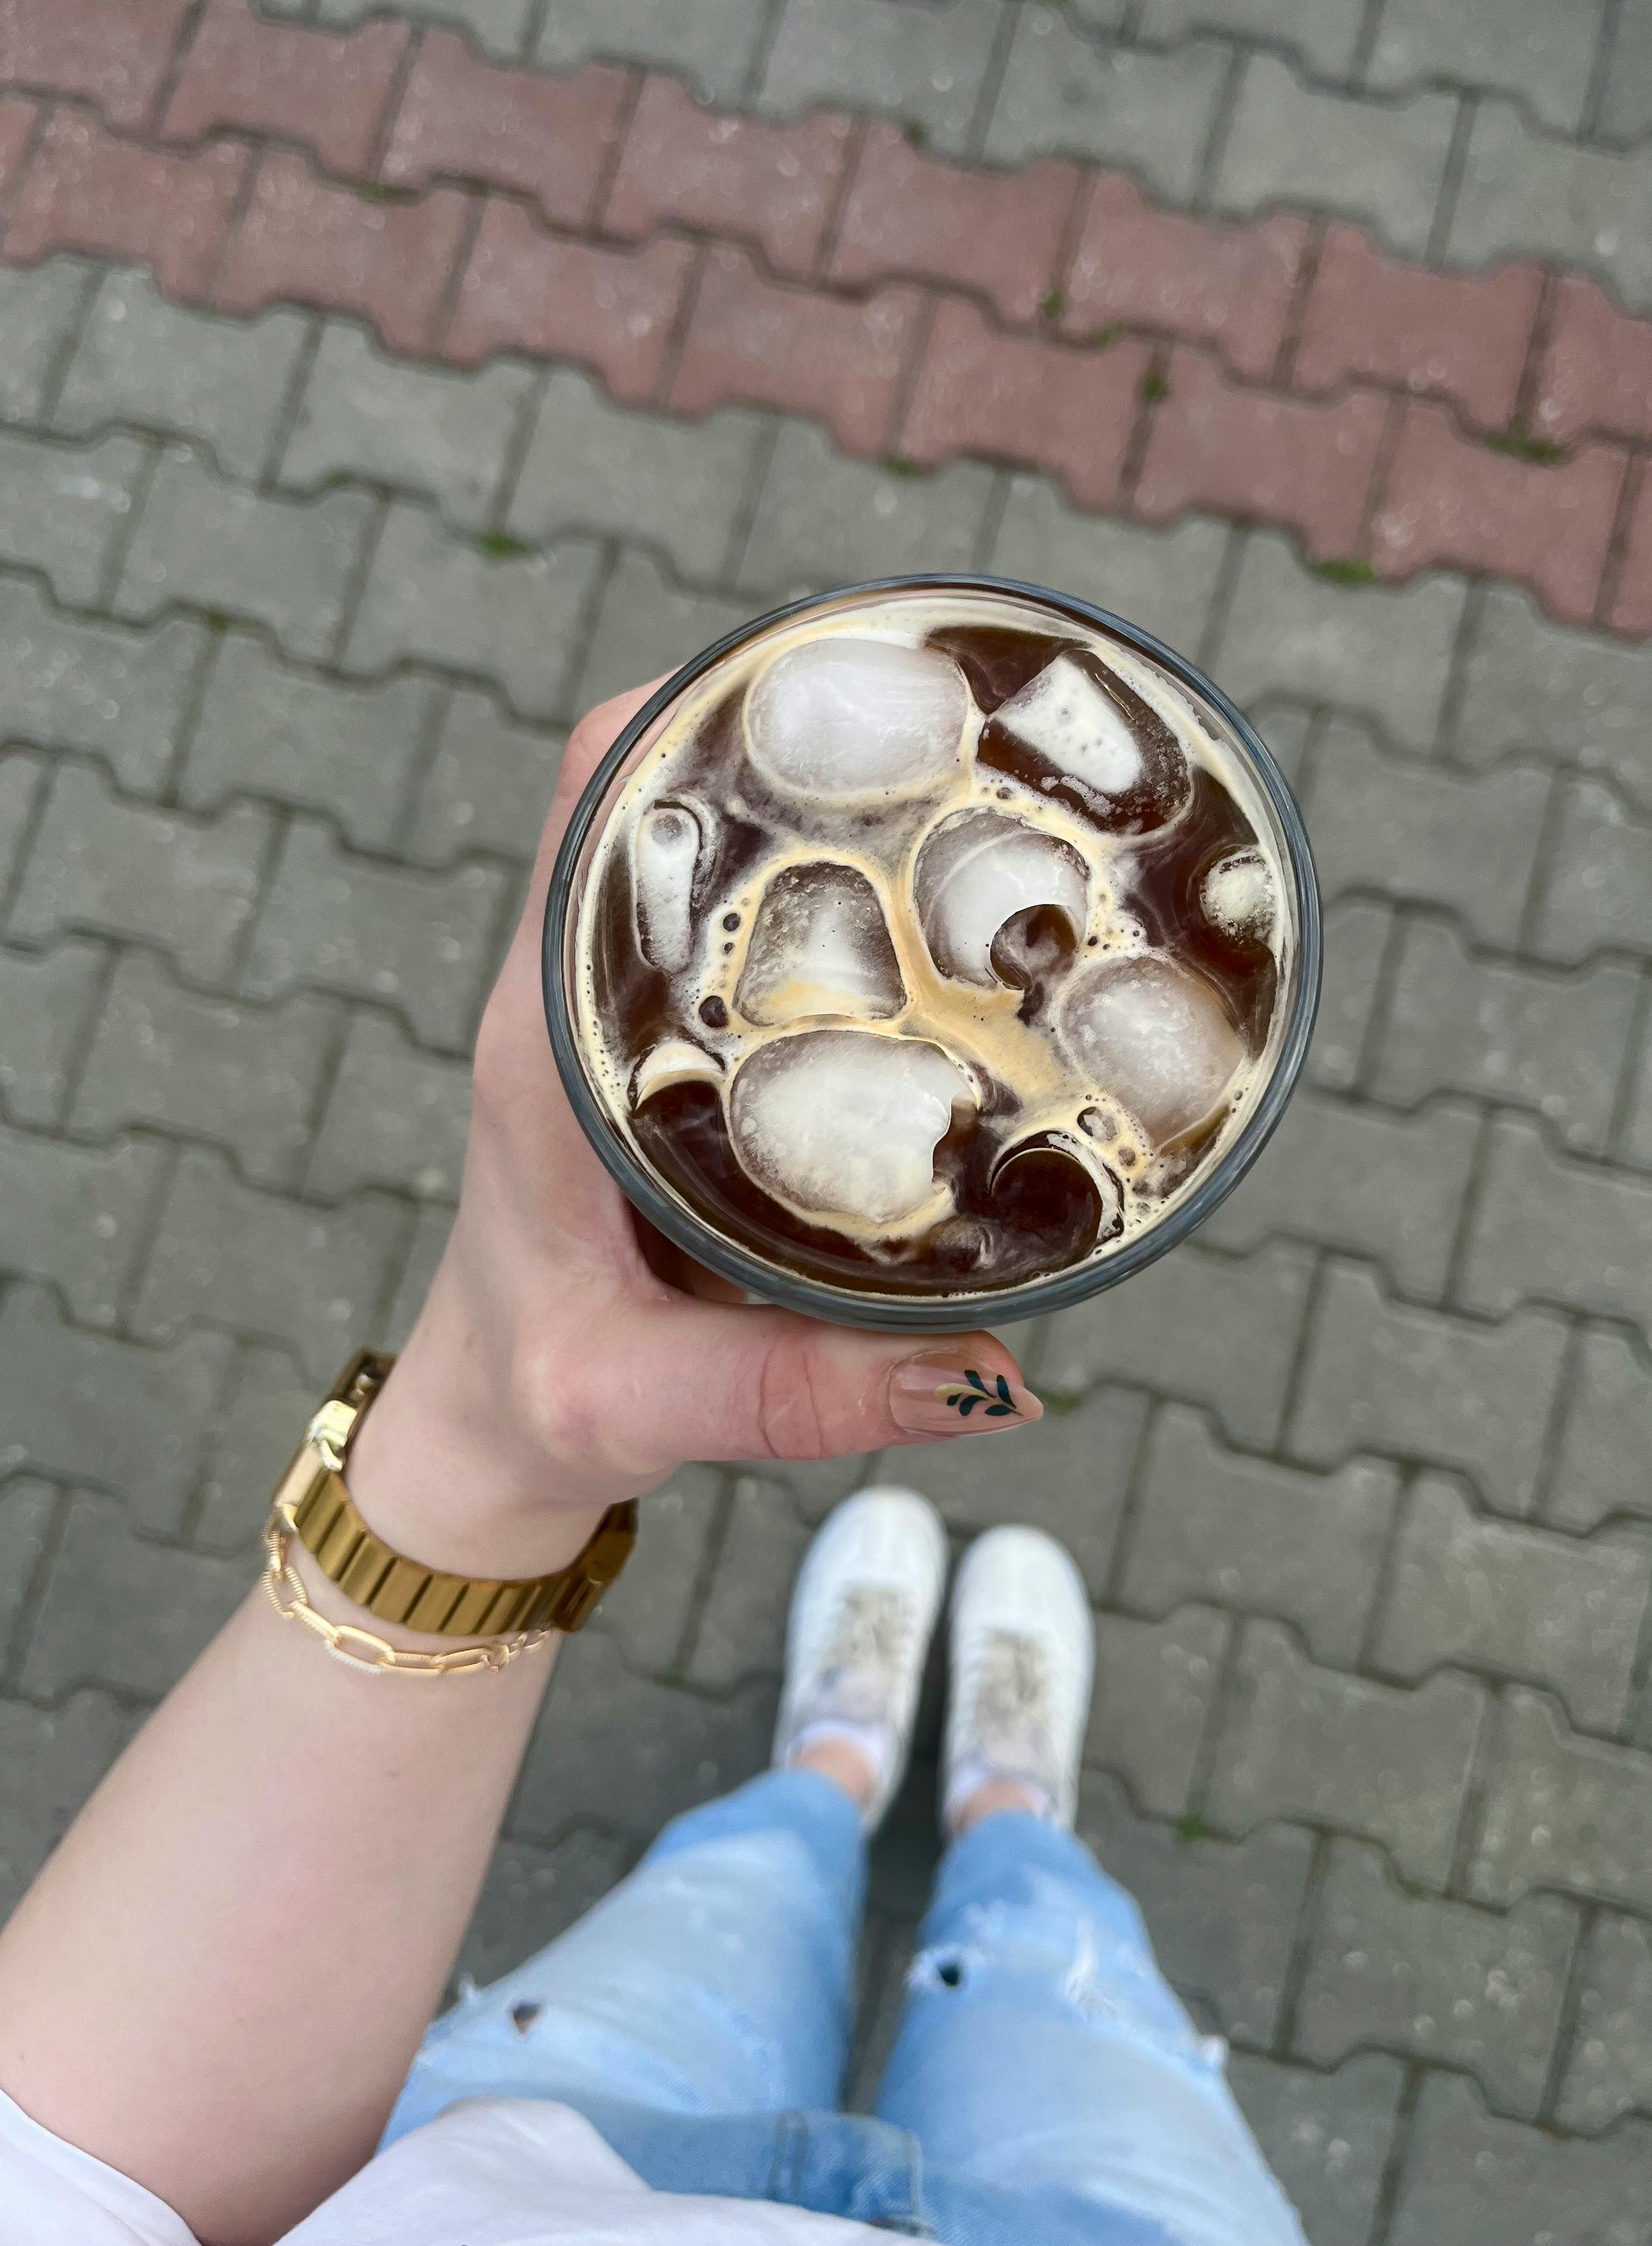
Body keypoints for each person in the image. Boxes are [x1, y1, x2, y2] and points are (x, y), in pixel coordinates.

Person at [0, 687, 1307, 2245]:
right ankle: (1008, 1810)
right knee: (1054, 1949)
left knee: (739, 1886)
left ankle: (829, 1773)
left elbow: (66, 2182)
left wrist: (486, 1447)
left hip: (532, 2147)